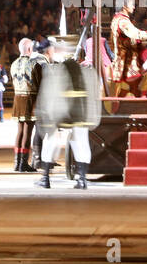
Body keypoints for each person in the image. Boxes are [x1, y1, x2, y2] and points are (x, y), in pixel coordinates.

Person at [33, 36, 102, 190]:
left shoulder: (56, 71)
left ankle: (45, 179)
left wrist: (46, 116)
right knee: (81, 143)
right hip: (81, 114)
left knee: (51, 142)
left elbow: (50, 94)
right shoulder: (87, 72)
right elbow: (94, 94)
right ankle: (82, 179)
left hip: (60, 113)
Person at [110, 0, 147, 96]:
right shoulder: (122, 21)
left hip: (127, 55)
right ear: (124, 6)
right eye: (132, 5)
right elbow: (137, 34)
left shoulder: (119, 18)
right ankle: (144, 94)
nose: (134, 7)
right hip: (127, 60)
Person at [10, 37, 43, 171]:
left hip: (17, 98)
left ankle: (17, 162)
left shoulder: (13, 63)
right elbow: (40, 84)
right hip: (30, 99)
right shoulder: (34, 63)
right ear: (29, 49)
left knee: (19, 131)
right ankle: (24, 163)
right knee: (27, 132)